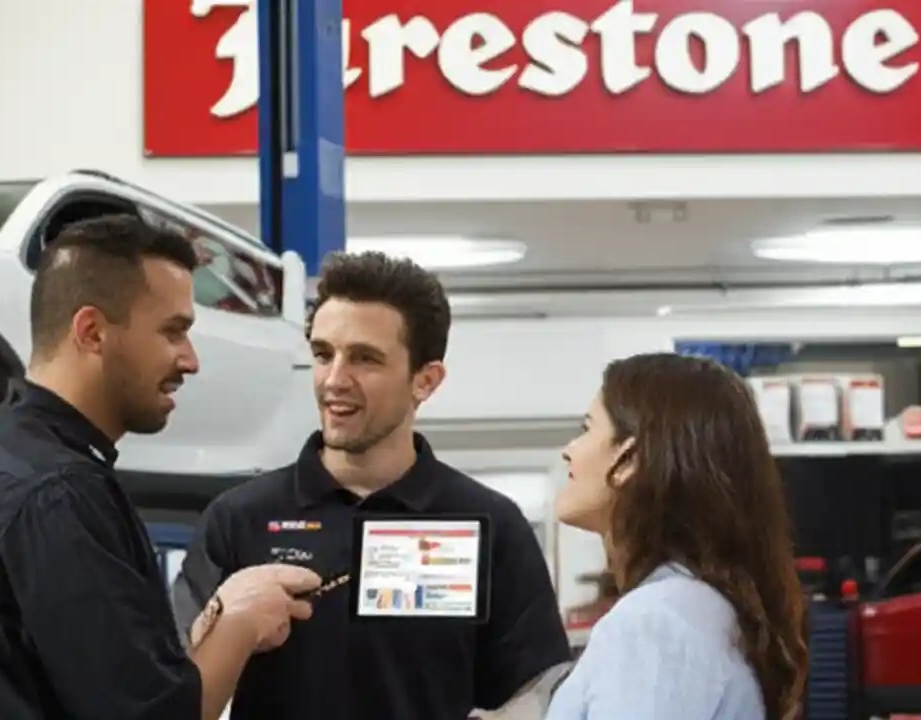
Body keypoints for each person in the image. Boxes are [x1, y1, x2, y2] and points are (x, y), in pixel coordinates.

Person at [0, 214, 321, 720]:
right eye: (173, 332)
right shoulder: (57, 497)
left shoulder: (1, 453)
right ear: (92, 332)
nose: (191, 360)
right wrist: (240, 621)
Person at [172, 251, 573, 719]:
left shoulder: (492, 526)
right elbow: (172, 692)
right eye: (323, 354)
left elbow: (534, 697)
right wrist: (232, 624)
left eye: (365, 359)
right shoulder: (239, 518)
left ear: (425, 381)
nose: (334, 380)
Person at [545, 353, 809, 720]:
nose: (569, 450)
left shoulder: (653, 623)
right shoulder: (695, 606)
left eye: (587, 429)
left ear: (630, 458)